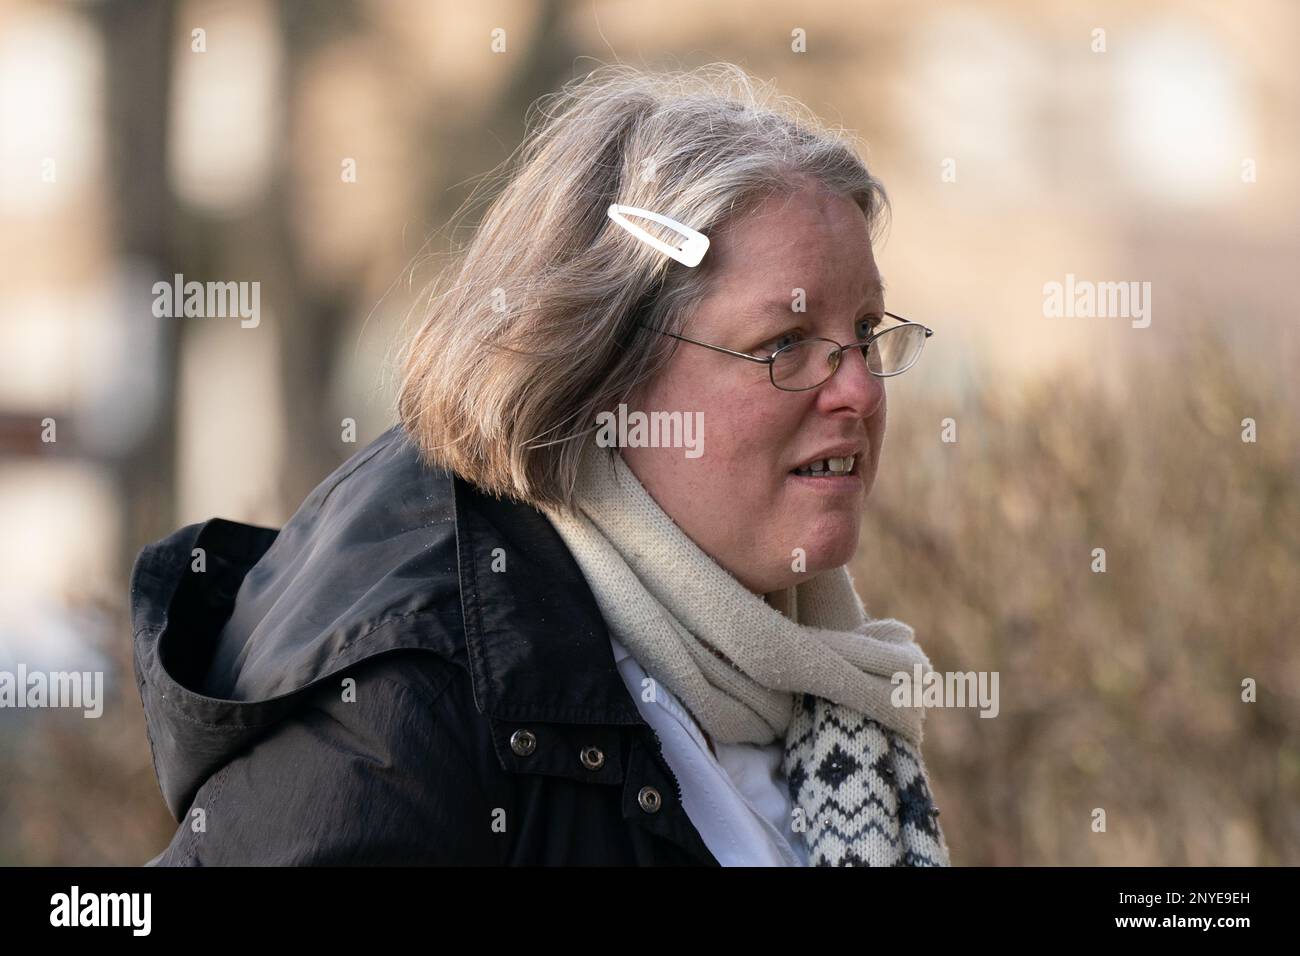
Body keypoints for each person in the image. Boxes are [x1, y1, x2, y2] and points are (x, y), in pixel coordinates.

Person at [131, 62, 950, 866]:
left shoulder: (818, 676)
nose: (860, 392)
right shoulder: (407, 711)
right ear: (604, 368)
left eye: (867, 333)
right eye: (784, 345)